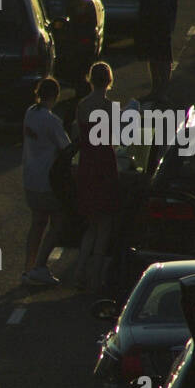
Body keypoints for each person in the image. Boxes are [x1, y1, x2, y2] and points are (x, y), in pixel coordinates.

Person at [71, 62, 121, 292]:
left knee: (91, 224)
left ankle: (80, 272)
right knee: (105, 226)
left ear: (90, 79)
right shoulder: (110, 107)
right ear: (109, 81)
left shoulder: (82, 105)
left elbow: (76, 136)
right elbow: (118, 137)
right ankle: (96, 277)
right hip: (105, 164)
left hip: (87, 164)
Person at [21, 77, 72, 287]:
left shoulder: (29, 113)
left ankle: (28, 267)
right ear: (55, 95)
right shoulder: (51, 121)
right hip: (47, 181)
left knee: (37, 223)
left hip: (30, 178)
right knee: (57, 222)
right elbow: (66, 148)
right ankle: (40, 266)